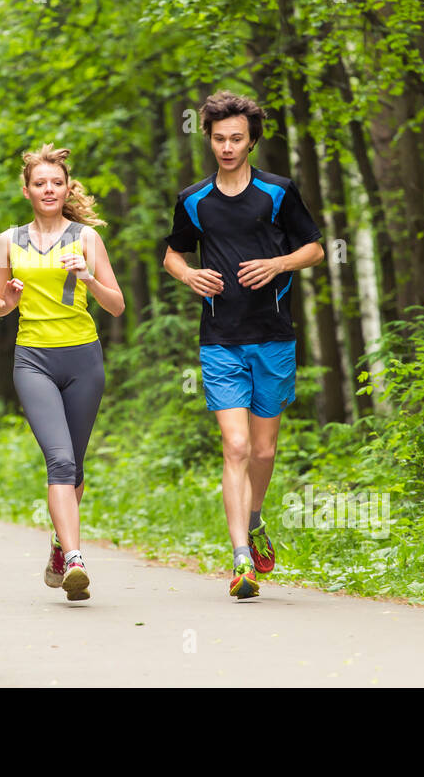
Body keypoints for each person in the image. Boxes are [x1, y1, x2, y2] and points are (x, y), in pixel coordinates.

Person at [162, 91, 325, 599]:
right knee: (234, 446)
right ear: (208, 139)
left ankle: (254, 518)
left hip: (273, 335)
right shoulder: (194, 200)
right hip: (220, 338)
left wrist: (278, 264)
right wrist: (189, 274)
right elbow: (172, 253)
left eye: (236, 139)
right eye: (219, 139)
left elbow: (315, 248)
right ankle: (239, 561)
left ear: (252, 140)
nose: (228, 147)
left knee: (263, 448)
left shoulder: (278, 192)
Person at [0, 144, 124, 602]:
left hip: (83, 359)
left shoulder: (86, 239)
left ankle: (59, 547)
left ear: (67, 189)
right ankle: (78, 559)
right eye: (40, 183)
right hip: (34, 360)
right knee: (60, 461)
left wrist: (88, 277)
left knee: (76, 468)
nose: (49, 189)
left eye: (56, 182)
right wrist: (10, 298)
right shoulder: (7, 241)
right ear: (26, 190)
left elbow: (117, 305)